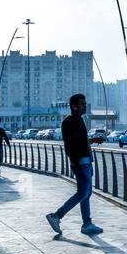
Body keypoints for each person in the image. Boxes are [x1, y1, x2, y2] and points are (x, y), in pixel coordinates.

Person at [46, 93, 102, 236]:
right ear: (74, 106)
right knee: (82, 193)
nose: (85, 106)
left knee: (87, 193)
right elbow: (70, 145)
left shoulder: (80, 120)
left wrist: (92, 140)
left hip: (87, 161)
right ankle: (56, 216)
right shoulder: (69, 122)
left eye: (85, 103)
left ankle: (87, 224)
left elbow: (81, 142)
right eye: (82, 104)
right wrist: (76, 162)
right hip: (81, 163)